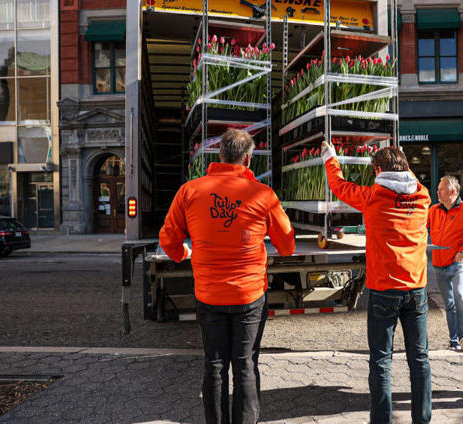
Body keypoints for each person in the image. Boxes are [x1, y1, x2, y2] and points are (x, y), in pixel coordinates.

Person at [160, 128, 295, 424]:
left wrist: (185, 253)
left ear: (219, 155)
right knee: (245, 364)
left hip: (209, 295)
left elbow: (169, 242)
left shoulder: (190, 191)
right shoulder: (262, 194)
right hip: (249, 294)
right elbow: (287, 246)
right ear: (248, 159)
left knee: (215, 364)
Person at [321, 141, 432, 424]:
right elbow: (410, 179)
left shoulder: (373, 196)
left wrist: (331, 157)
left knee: (382, 360)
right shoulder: (423, 196)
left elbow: (339, 185)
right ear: (407, 169)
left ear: (378, 171)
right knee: (419, 359)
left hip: (385, 289)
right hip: (417, 289)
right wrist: (400, 160)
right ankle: (422, 419)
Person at [427, 176, 463, 352]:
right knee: (449, 303)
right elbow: (420, 229)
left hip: (458, 262)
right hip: (438, 264)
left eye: (440, 189)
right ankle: (453, 340)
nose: (437, 192)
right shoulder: (433, 210)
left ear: (452, 192)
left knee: (459, 296)